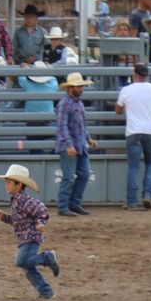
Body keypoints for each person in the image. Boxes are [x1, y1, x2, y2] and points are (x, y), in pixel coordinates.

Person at [0, 163, 60, 300]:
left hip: (31, 237)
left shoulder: (24, 200)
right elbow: (17, 221)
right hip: (26, 238)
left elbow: (42, 211)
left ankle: (48, 258)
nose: (6, 184)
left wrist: (40, 223)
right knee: (28, 267)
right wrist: (4, 217)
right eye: (6, 182)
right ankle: (46, 292)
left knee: (21, 261)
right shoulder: (17, 201)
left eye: (9, 182)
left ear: (19, 185)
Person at [115, 61, 151, 210]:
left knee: (134, 166)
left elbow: (118, 110)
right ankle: (148, 195)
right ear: (147, 75)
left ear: (134, 75)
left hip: (133, 131)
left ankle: (131, 202)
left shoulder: (126, 90)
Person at [54, 71, 95, 216]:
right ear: (70, 88)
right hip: (70, 146)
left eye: (81, 86)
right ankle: (64, 205)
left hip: (79, 144)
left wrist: (88, 138)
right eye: (79, 86)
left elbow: (81, 124)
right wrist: (69, 145)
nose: (81, 89)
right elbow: (62, 126)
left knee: (83, 175)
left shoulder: (77, 103)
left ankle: (73, 203)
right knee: (69, 177)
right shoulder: (64, 104)